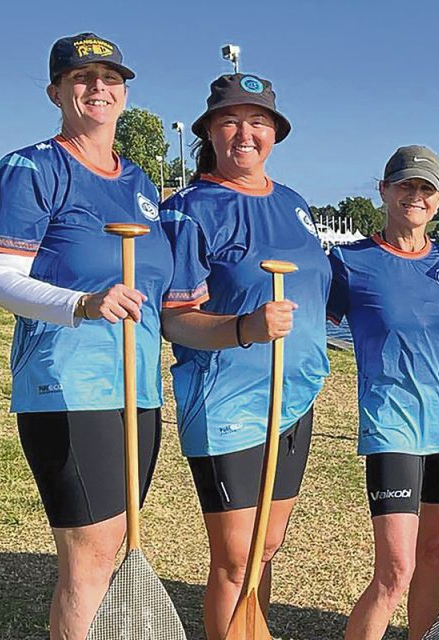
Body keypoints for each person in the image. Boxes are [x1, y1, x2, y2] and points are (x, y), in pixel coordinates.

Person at [0, 33, 174, 638]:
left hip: (137, 390)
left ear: (124, 91)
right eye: (81, 78)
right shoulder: (31, 167)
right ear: (56, 91)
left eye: (110, 78)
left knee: (111, 541)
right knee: (89, 555)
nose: (98, 88)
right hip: (66, 385)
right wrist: (83, 303)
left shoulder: (140, 182)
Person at [158, 73, 330, 639]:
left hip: (295, 397)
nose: (245, 133)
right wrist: (246, 328)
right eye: (230, 120)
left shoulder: (294, 204)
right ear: (209, 130)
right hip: (228, 399)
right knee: (236, 558)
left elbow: (325, 292)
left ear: (275, 132)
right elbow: (174, 319)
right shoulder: (190, 208)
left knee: (268, 546)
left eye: (258, 121)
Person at [327, 145, 439, 640]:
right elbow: (311, 330)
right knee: (395, 570)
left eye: (426, 189)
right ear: (384, 190)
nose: (415, 196)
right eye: (405, 186)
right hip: (392, 428)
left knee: (435, 555)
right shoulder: (351, 263)